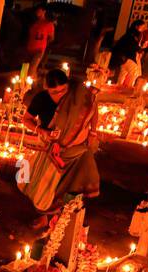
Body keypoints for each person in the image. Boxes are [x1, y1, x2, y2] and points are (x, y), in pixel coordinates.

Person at [18, 70, 99, 229]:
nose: (59, 95)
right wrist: (41, 131)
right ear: (47, 88)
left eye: (63, 90)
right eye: (54, 92)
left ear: (68, 85)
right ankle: (44, 217)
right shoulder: (41, 99)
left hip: (77, 149)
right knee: (45, 186)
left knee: (71, 186)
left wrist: (93, 132)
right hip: (50, 149)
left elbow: (93, 110)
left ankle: (64, 220)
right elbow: (26, 119)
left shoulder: (79, 96)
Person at [25, 5, 54, 78]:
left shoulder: (48, 24)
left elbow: (51, 37)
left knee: (31, 70)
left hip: (39, 49)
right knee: (26, 69)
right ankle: (33, 85)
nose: (37, 12)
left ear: (44, 12)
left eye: (39, 10)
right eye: (37, 11)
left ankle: (28, 86)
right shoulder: (34, 23)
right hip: (29, 48)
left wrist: (44, 44)